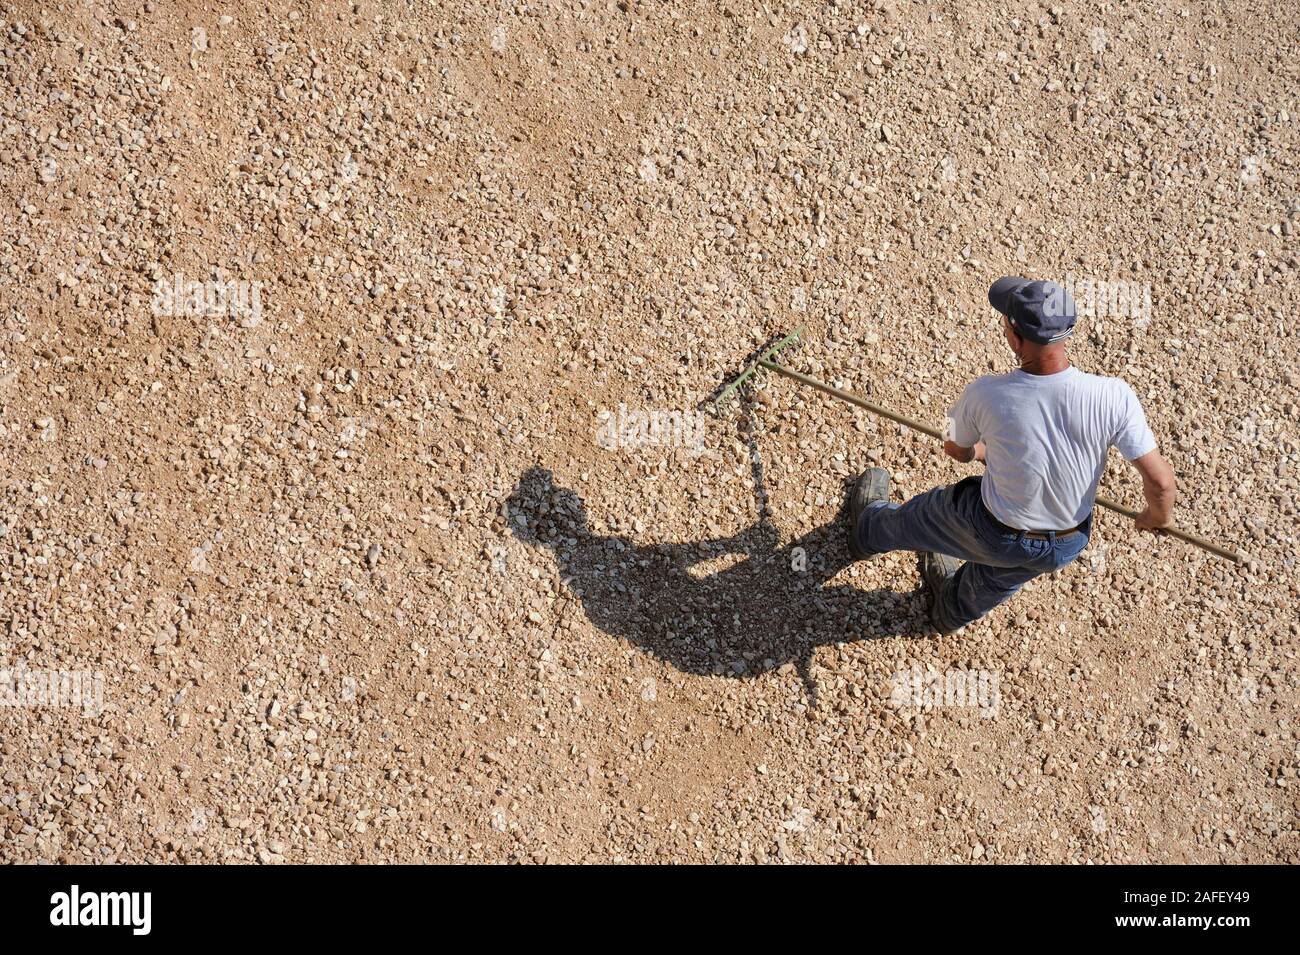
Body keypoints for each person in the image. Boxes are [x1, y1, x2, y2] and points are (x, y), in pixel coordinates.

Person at [849, 276, 1176, 633]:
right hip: (1066, 542)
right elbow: (1160, 483)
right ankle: (949, 613)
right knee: (996, 579)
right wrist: (1155, 517)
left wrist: (978, 449)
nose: (1003, 328)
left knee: (920, 518)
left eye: (1005, 323)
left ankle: (867, 531)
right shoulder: (1115, 395)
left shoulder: (986, 393)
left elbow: (953, 448)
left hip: (993, 529)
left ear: (1017, 339)